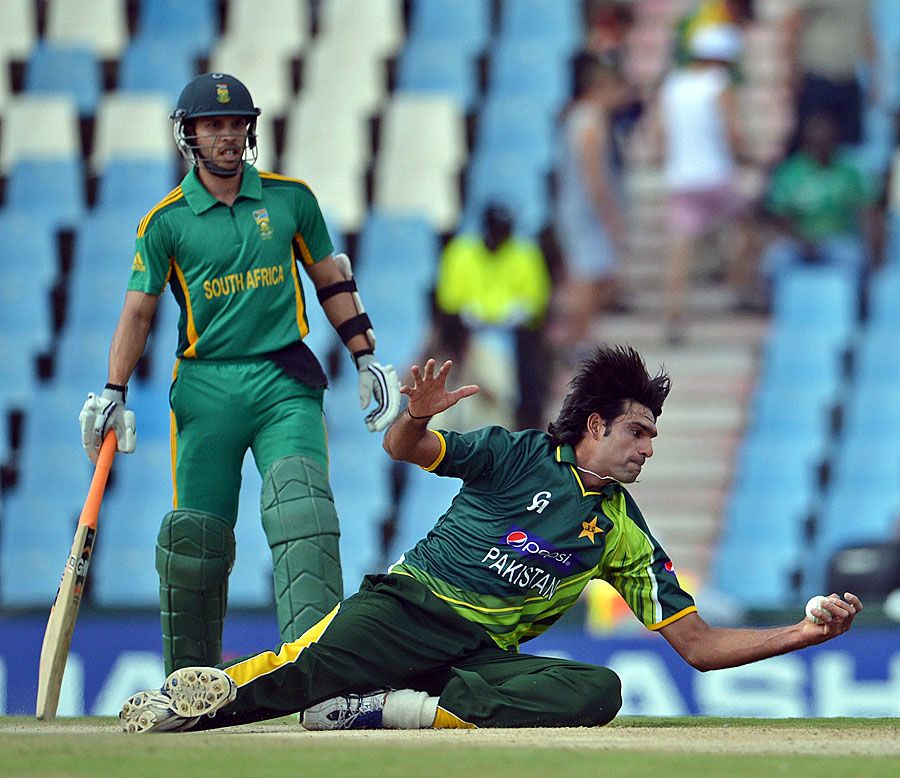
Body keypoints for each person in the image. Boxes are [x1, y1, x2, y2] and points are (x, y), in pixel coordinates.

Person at [117, 346, 864, 734]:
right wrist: (415, 416)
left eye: (654, 436)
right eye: (638, 431)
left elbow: (698, 649)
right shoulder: (516, 454)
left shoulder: (622, 533)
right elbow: (406, 452)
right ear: (596, 427)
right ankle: (179, 704)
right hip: (406, 608)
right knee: (294, 671)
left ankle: (378, 711)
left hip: (476, 663)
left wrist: (805, 631)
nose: (648, 449)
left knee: (599, 691)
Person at [77, 73, 402, 676]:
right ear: (191, 135)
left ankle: (318, 679)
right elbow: (139, 310)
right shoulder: (165, 223)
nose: (227, 136)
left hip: (284, 380)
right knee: (195, 544)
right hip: (205, 389)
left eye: (236, 124)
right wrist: (115, 391)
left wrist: (364, 355)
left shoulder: (291, 200)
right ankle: (190, 685)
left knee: (302, 511)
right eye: (213, 125)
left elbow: (331, 278)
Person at [657, 24, 756, 343]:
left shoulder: (673, 84)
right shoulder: (719, 84)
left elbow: (660, 134)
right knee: (746, 225)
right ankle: (740, 285)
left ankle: (674, 317)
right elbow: (733, 133)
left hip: (682, 176)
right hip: (715, 174)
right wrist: (747, 154)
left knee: (680, 249)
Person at [434, 203, 552, 431]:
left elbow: (536, 302)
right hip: (468, 333)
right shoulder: (462, 252)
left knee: (524, 365)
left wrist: (511, 315)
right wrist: (470, 314)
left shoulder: (525, 254)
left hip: (512, 335)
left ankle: (521, 416)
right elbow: (448, 300)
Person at [553, 55, 635, 358]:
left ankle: (578, 336)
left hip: (578, 207)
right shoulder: (591, 120)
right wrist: (609, 214)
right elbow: (594, 174)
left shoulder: (580, 116)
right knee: (587, 277)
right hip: (585, 211)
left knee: (594, 275)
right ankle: (576, 340)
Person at [760, 111, 877, 286]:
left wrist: (872, 249)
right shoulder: (791, 171)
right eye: (817, 142)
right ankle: (774, 308)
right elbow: (780, 216)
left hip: (839, 239)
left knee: (855, 259)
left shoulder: (849, 170)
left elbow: (866, 212)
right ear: (807, 143)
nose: (822, 147)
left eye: (827, 141)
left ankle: (856, 307)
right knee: (773, 261)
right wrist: (804, 242)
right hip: (799, 241)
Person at [782, 0, 879, 152]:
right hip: (818, 74)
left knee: (847, 149)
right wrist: (793, 71)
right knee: (810, 143)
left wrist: (875, 76)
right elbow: (795, 23)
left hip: (848, 75)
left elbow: (865, 27)